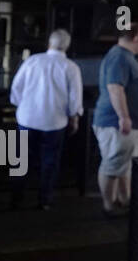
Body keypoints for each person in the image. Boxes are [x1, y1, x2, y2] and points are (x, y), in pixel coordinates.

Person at [8, 29, 83, 210]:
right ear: (67, 46)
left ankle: (16, 198)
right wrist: (74, 117)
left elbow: (16, 88)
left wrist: (20, 105)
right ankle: (45, 200)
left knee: (21, 159)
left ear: (49, 44)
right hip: (54, 121)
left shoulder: (32, 61)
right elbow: (75, 98)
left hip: (28, 118)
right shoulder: (71, 67)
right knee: (50, 161)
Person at [92, 23, 138, 218]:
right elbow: (115, 88)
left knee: (123, 164)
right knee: (112, 164)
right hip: (116, 124)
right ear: (135, 38)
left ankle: (124, 200)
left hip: (125, 123)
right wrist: (124, 117)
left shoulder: (124, 57)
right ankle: (108, 207)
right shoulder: (120, 57)